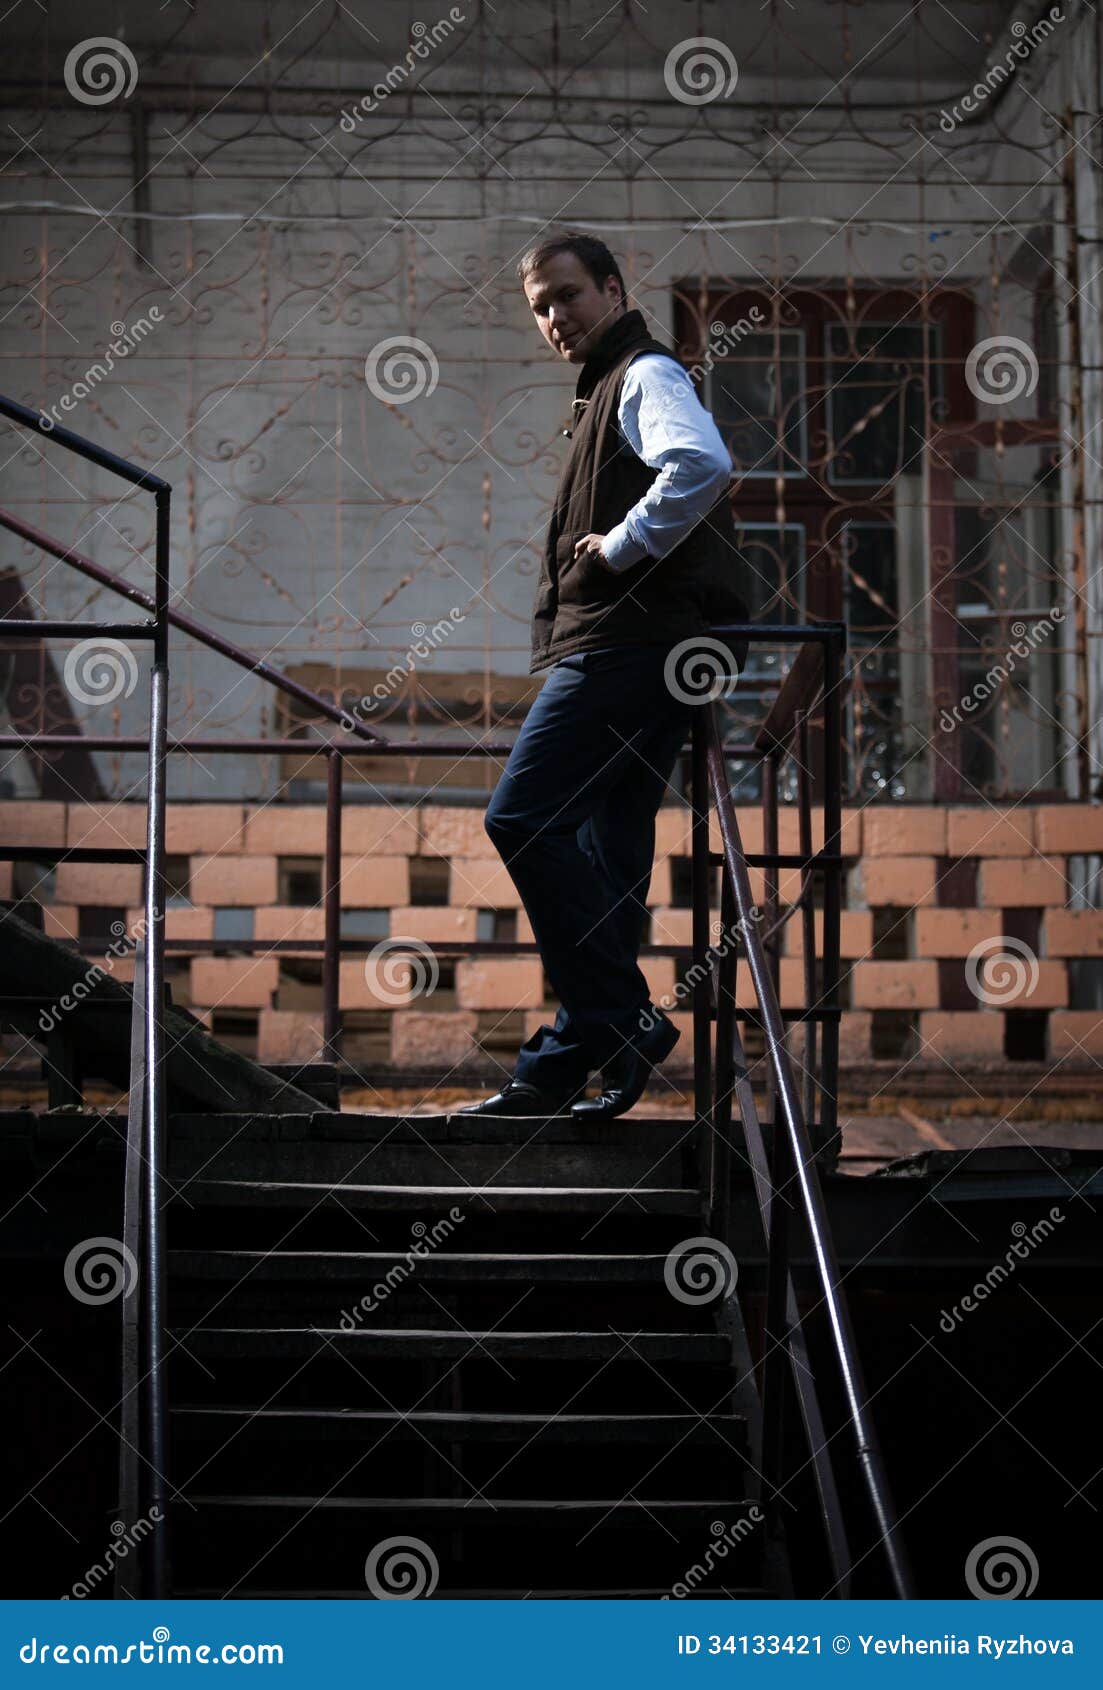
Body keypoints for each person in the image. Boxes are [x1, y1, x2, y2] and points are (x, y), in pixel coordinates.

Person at [459, 230, 749, 1120]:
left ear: (614, 291)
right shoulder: (602, 388)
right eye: (540, 307)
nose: (555, 317)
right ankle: (566, 1064)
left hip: (632, 643)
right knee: (605, 850)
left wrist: (620, 547)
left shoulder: (644, 374)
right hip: (650, 646)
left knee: (520, 818)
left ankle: (623, 1020)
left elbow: (702, 465)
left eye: (568, 295)